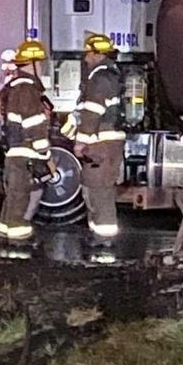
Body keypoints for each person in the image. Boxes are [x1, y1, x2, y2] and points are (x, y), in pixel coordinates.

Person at [0, 39, 53, 243]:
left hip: (15, 152)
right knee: (20, 196)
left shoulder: (14, 87)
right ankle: (19, 240)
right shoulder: (27, 90)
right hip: (25, 153)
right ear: (32, 63)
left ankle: (4, 233)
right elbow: (34, 124)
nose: (42, 66)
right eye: (40, 62)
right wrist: (45, 154)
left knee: (12, 196)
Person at [72, 32, 125, 243]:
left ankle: (103, 239)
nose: (85, 59)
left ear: (97, 54)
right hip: (105, 144)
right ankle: (98, 235)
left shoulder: (100, 78)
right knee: (96, 189)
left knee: (99, 190)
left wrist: (80, 141)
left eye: (88, 54)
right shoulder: (107, 76)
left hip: (101, 144)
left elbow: (92, 111)